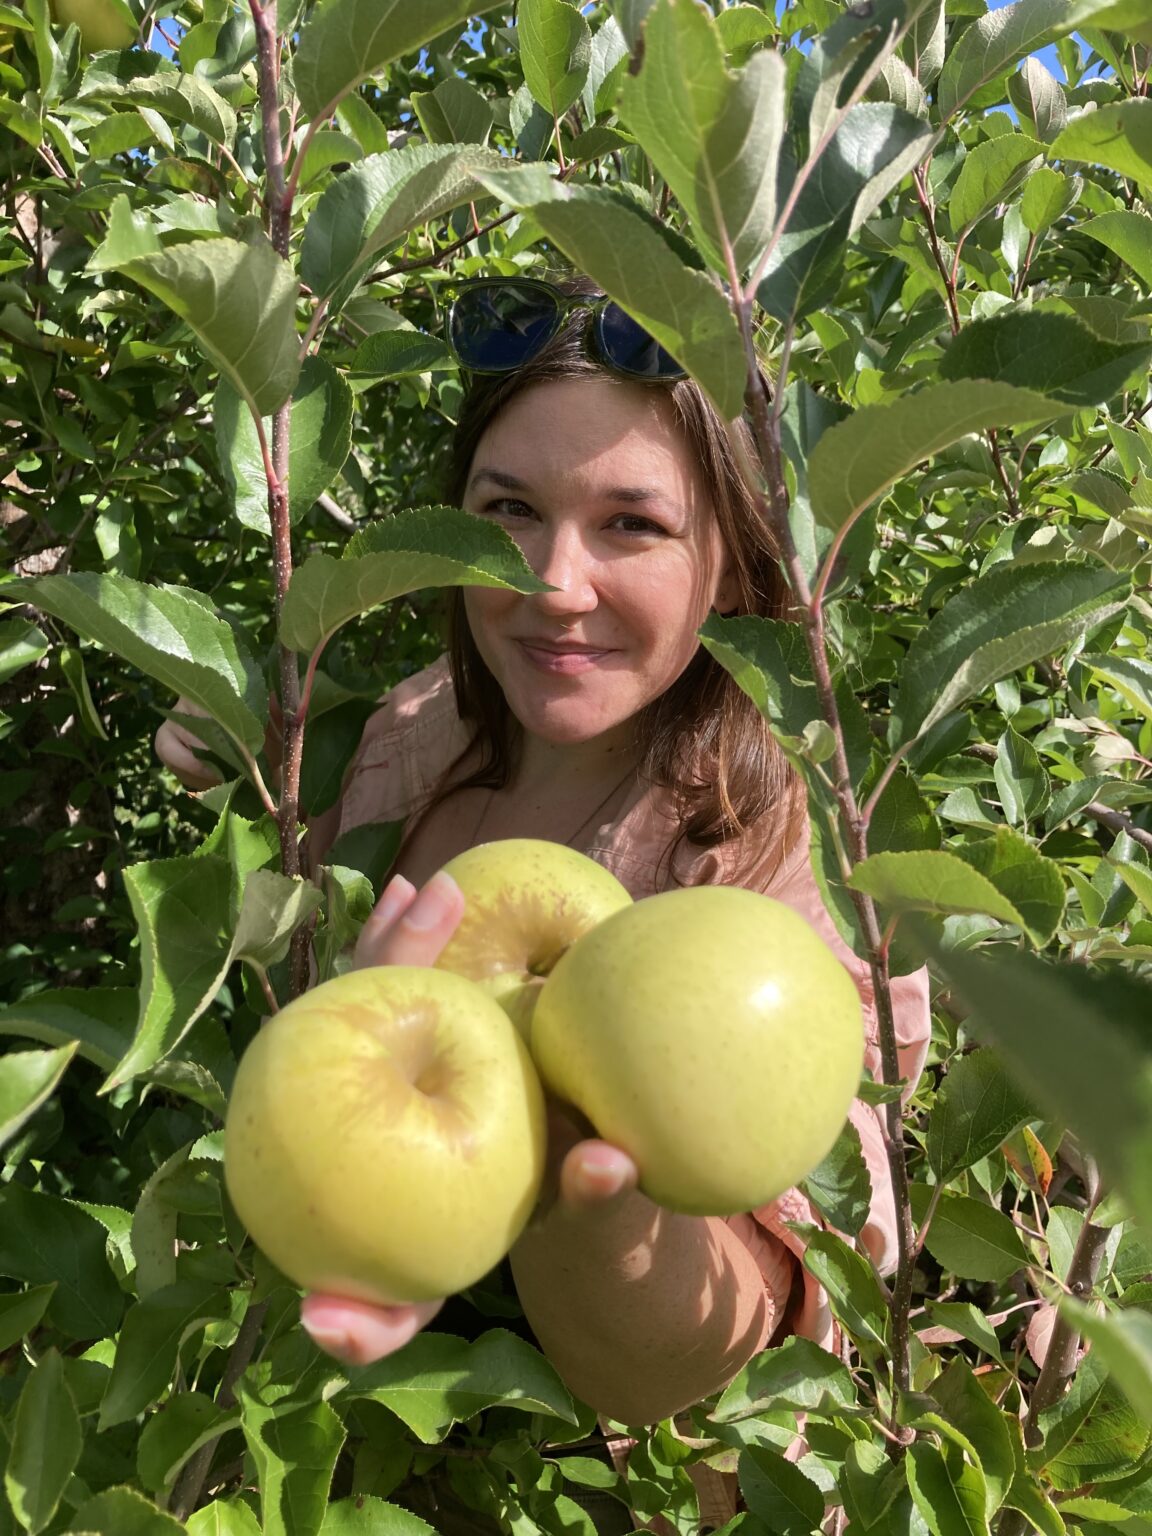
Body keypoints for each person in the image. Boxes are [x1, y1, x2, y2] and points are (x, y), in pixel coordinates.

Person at [157, 273, 929, 1474]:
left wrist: (586, 1183)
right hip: (341, 1431)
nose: (551, 586)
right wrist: (254, 767)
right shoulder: (415, 733)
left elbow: (719, 1356)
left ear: (732, 562)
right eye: (508, 511)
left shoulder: (799, 867)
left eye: (633, 523)